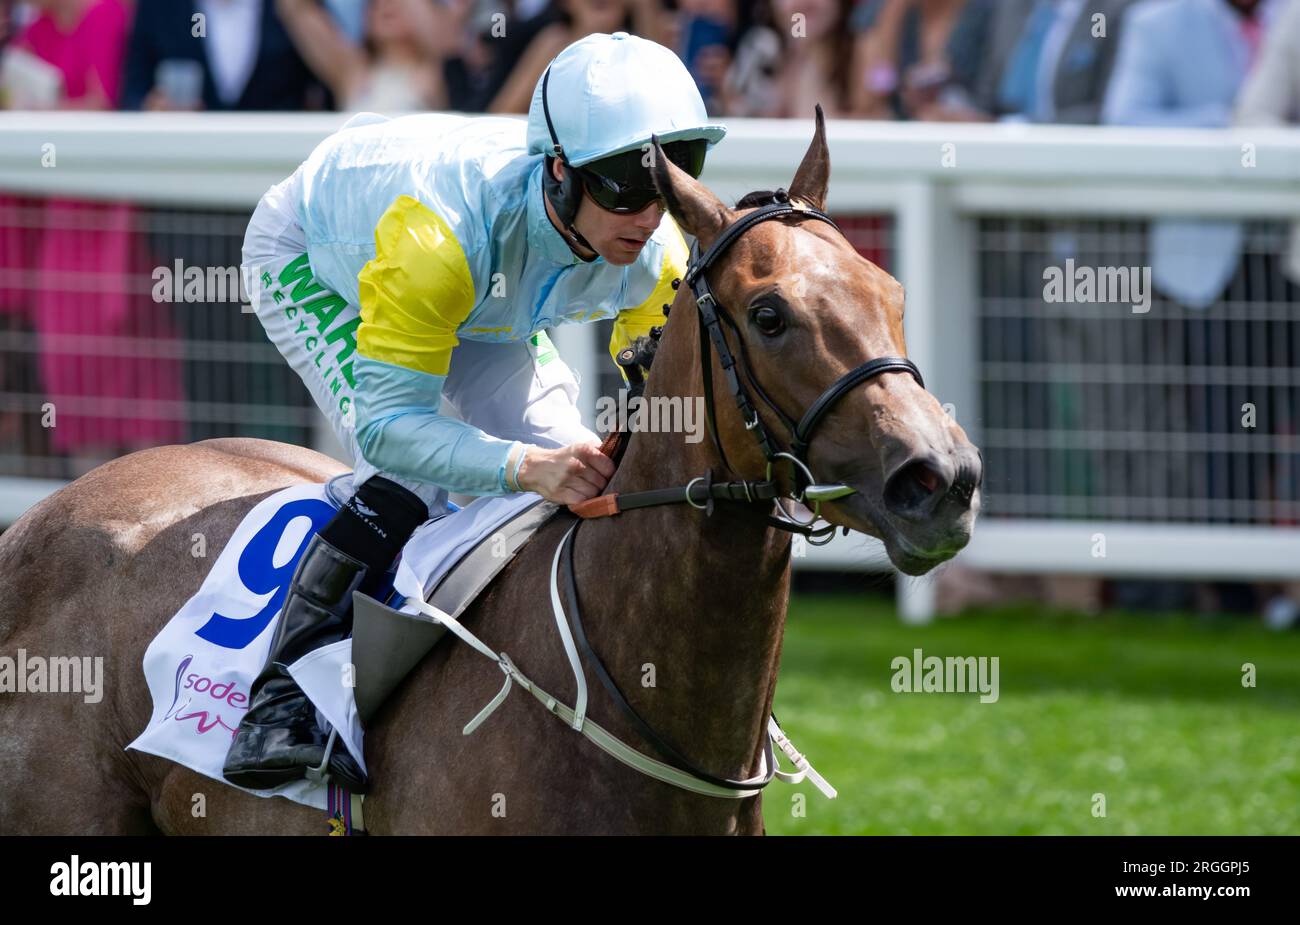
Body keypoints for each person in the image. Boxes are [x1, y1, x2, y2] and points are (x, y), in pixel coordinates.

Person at [225, 31, 726, 792]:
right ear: (559, 172)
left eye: (669, 178)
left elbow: (651, 404)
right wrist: (523, 465)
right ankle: (281, 698)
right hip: (323, 261)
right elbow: (391, 430)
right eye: (624, 184)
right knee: (414, 478)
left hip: (479, 303)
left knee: (578, 466)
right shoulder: (439, 241)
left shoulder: (655, 256)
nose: (650, 213)